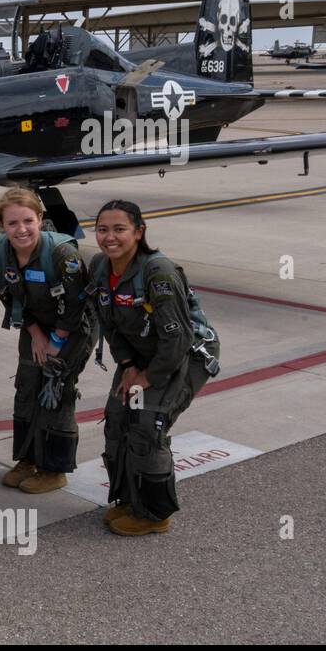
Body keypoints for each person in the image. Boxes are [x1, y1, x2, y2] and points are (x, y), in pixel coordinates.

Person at [90, 200, 220, 536]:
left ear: (139, 232)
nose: (110, 237)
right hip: (139, 354)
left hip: (182, 355)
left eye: (119, 229)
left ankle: (154, 513)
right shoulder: (100, 268)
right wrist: (130, 367)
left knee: (148, 424)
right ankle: (129, 499)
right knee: (118, 416)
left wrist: (148, 377)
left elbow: (177, 339)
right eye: (103, 229)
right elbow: (109, 325)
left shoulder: (158, 272)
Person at [0, 188, 97, 494]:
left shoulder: (64, 255)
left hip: (73, 328)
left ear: (40, 219)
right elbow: (7, 295)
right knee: (27, 385)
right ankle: (27, 458)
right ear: (1, 225)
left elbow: (75, 307)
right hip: (36, 323)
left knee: (55, 387)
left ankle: (54, 468)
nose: (21, 229)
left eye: (27, 221)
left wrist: (56, 342)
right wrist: (35, 333)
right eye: (12, 223)